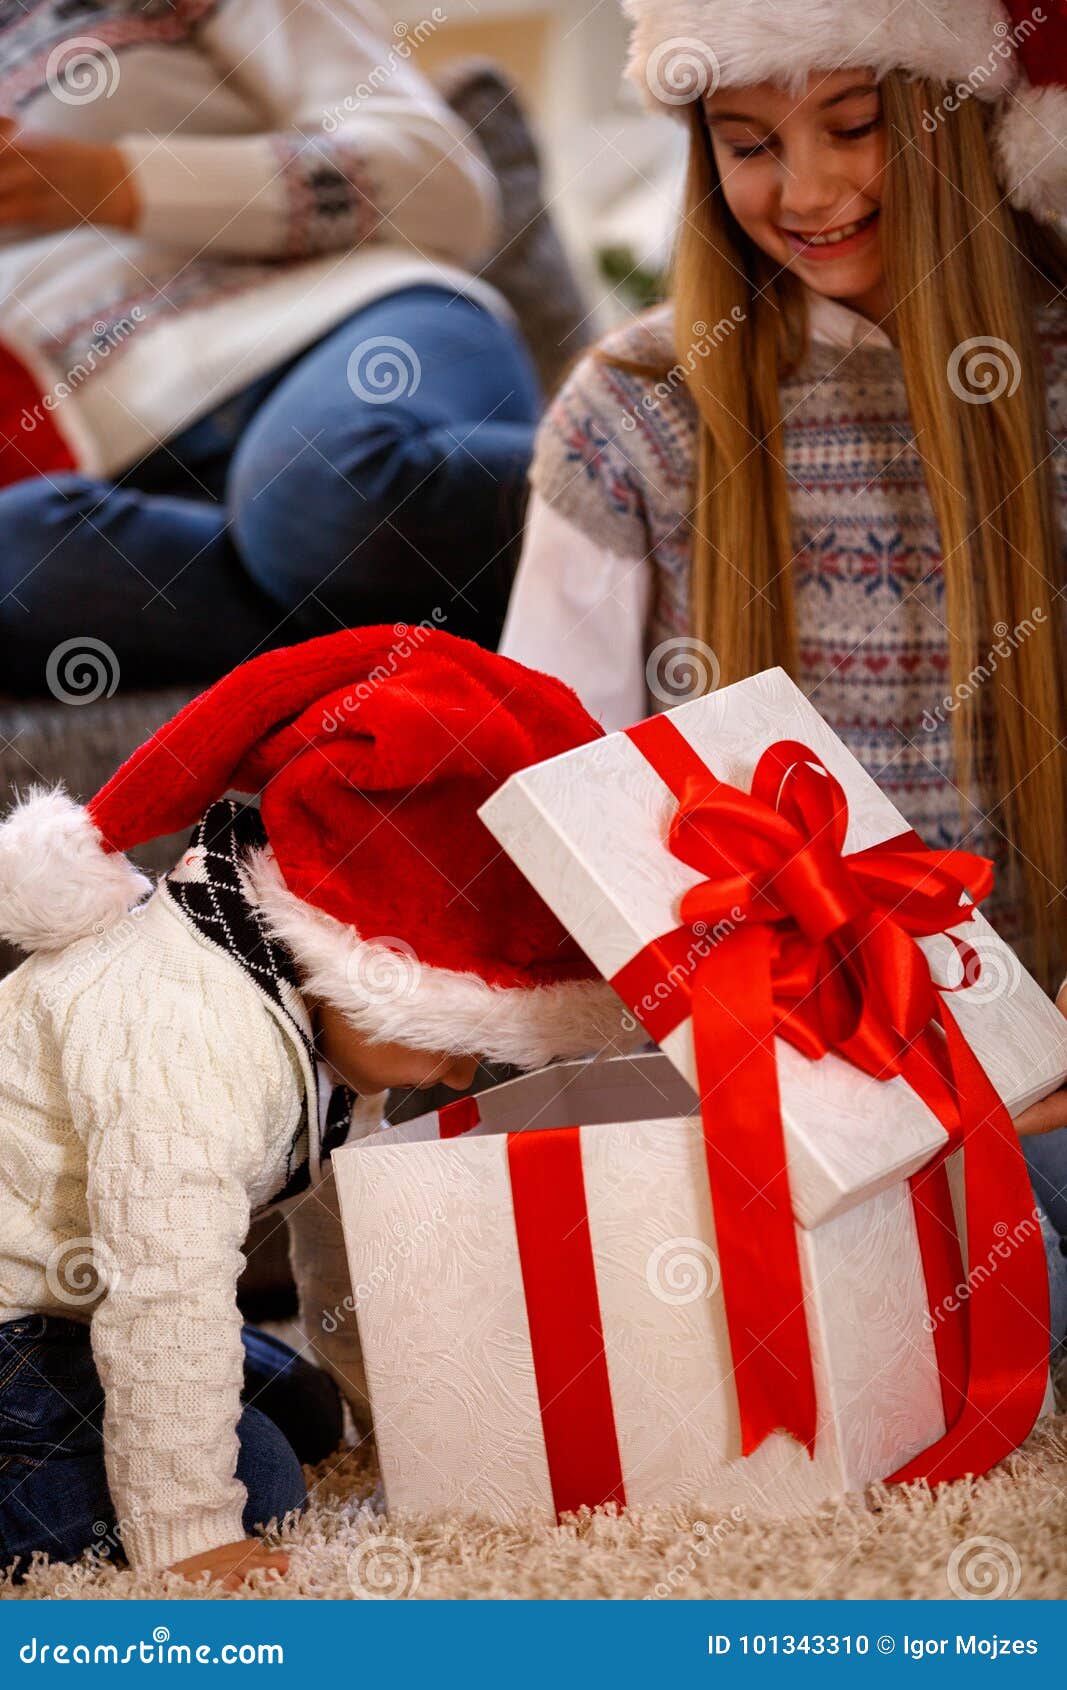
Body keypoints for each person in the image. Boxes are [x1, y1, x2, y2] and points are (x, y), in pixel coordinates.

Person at [500, 0, 1067, 1336]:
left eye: (852, 127)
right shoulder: (628, 412)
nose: (800, 190)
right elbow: (550, 793)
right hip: (767, 1104)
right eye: (746, 143)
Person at [0, 627, 632, 1586]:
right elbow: (160, 1290)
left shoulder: (314, 1006)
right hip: (27, 1307)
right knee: (255, 1478)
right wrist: (189, 1537)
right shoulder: (184, 1033)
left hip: (82, 1296)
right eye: (458, 1036)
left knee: (300, 1409)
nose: (460, 1078)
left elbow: (348, 1235)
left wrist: (401, 1418)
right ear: (364, 960)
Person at [0, 0, 540, 693]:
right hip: (126, 457)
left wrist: (109, 179)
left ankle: (675, 480)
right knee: (19, 564)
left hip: (342, 324)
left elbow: (444, 187)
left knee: (327, 491)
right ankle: (424, 625)